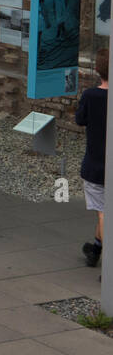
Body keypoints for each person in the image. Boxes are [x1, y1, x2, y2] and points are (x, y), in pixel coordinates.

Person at [75, 48, 107, 269]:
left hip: (96, 165)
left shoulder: (90, 96)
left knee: (104, 213)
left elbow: (80, 119)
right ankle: (95, 250)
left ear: (97, 69)